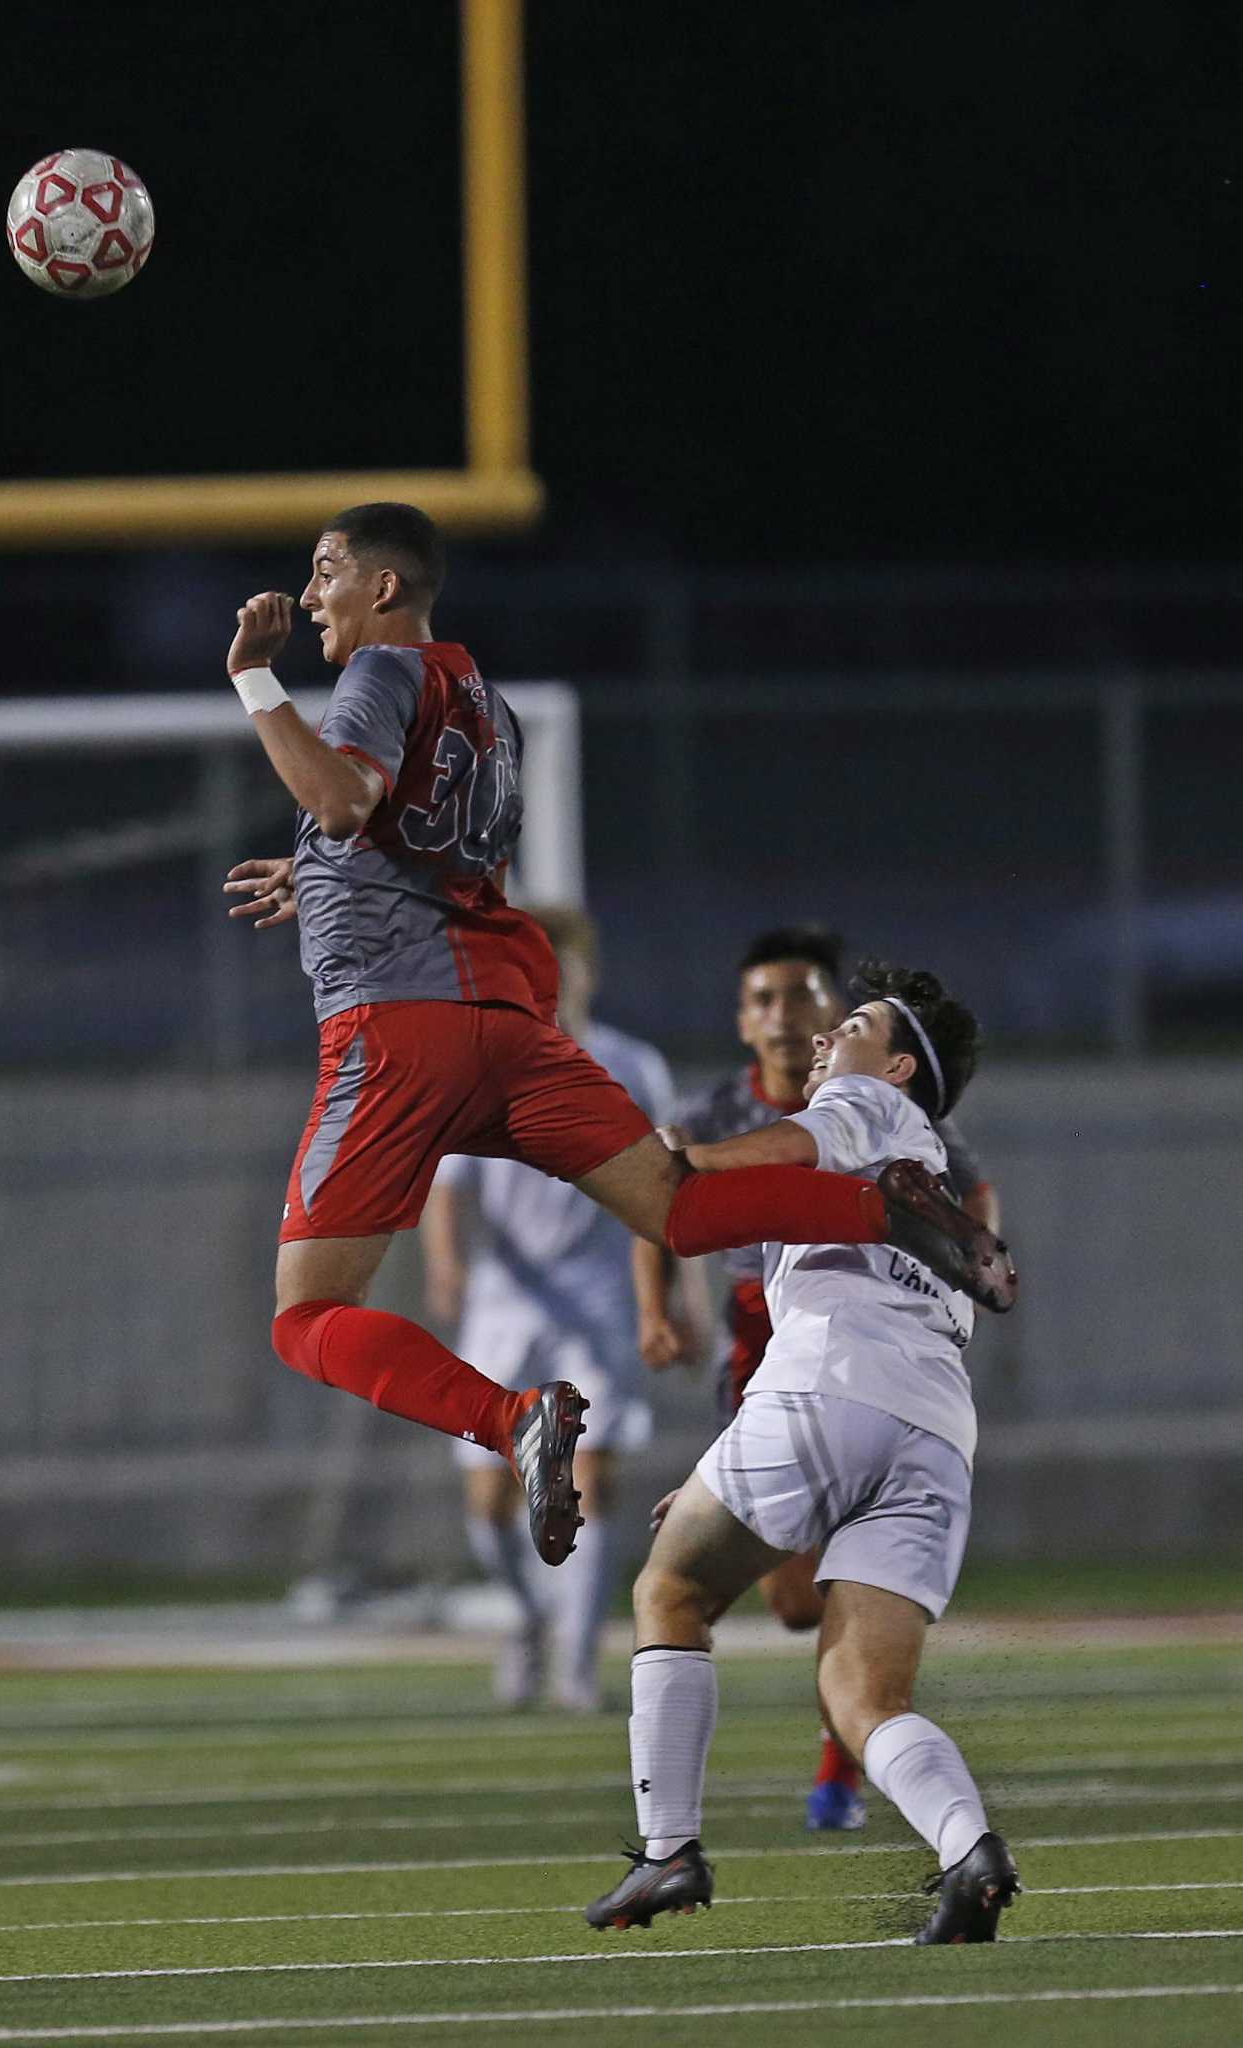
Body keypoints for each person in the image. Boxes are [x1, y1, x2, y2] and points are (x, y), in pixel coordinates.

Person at [221, 502, 1013, 1570]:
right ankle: (884, 1205)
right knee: (676, 1205)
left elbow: (343, 797)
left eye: (324, 572)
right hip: (507, 1020)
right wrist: (315, 869)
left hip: (399, 1029)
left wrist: (255, 679)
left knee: (307, 1315)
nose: (310, 595)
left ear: (386, 589)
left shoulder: (377, 672)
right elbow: (409, 843)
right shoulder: (485, 703)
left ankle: (509, 1422)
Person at [586, 961, 1021, 1945]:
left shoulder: (866, 1104)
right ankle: (968, 1851)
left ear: (900, 1063)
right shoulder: (932, 1171)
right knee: (863, 1694)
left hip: (827, 1389)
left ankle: (668, 1849)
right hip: (934, 1426)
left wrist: (687, 1160)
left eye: (854, 1024)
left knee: (670, 1589)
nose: (826, 1037)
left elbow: (797, 1137)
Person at [420, 905, 697, 1710]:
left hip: (598, 1298)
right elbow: (449, 1186)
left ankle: (576, 1664)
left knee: (590, 1483)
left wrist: (669, 1299)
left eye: (559, 963)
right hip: (507, 1304)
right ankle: (529, 1617)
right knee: (490, 1495)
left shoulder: (630, 1064)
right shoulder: (479, 1061)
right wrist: (448, 1268)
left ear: (584, 972)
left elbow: (662, 1188)